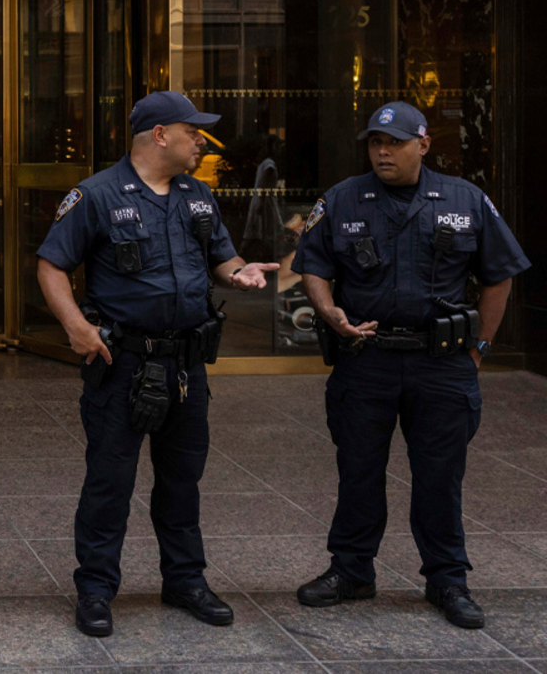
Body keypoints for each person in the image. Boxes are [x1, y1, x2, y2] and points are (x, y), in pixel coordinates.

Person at [35, 91, 278, 639]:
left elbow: (222, 256)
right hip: (123, 363)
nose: (202, 141)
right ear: (161, 135)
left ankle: (185, 581)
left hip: (187, 366)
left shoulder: (198, 196)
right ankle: (96, 590)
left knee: (182, 481)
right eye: (193, 131)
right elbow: (52, 265)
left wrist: (239, 273)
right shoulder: (95, 195)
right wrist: (76, 327)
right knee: (109, 482)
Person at [291, 101, 529, 630]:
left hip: (441, 364)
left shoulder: (465, 200)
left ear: (422, 144)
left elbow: (500, 275)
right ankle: (352, 570)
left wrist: (480, 347)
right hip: (366, 359)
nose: (382, 151)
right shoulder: (343, 198)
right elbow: (314, 265)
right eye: (376, 142)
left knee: (440, 476)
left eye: (394, 142)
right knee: (358, 470)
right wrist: (329, 313)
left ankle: (447, 579)